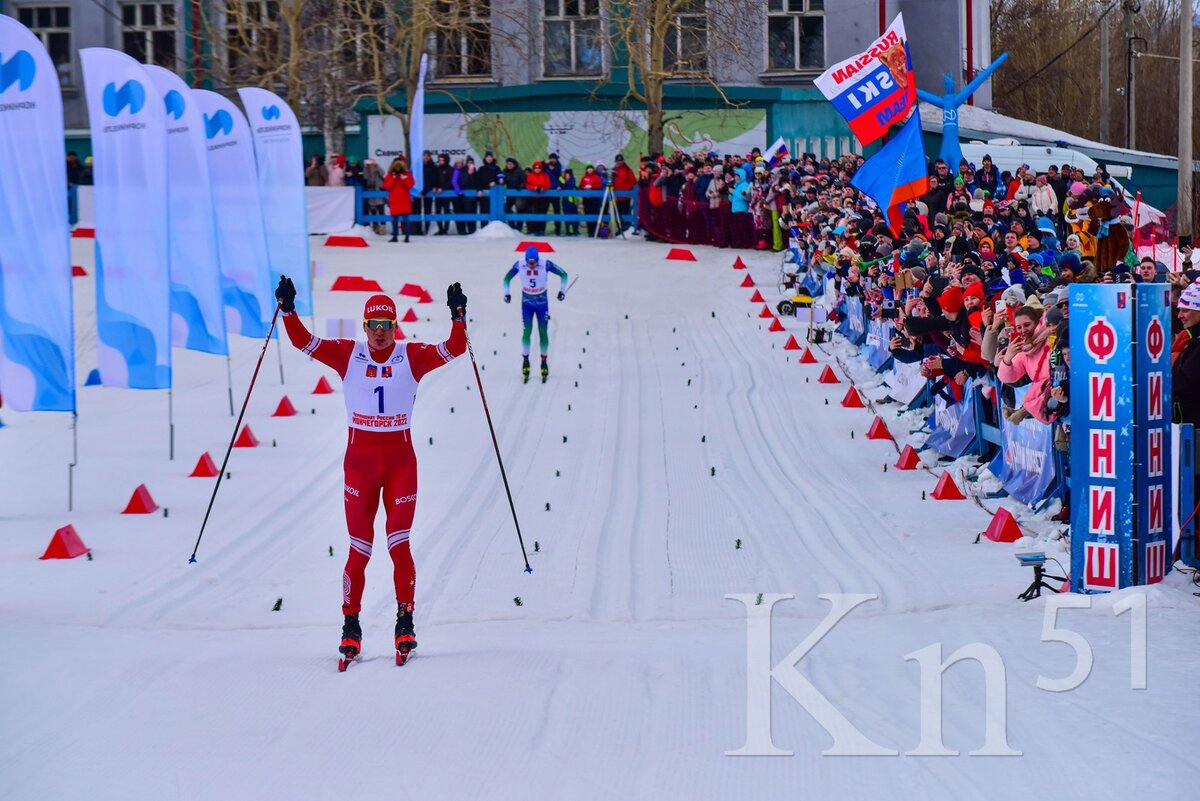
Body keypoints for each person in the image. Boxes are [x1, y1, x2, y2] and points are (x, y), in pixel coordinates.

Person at [274, 277, 468, 668]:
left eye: (387, 326)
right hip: (360, 464)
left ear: (396, 327)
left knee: (399, 544)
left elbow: (455, 348)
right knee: (359, 549)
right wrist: (289, 309)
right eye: (374, 326)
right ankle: (350, 626)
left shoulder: (411, 355)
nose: (380, 333)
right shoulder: (348, 354)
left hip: (400, 464)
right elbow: (302, 342)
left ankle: (405, 623)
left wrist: (458, 315)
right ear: (364, 328)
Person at [504, 245, 568, 382]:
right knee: (527, 332)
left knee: (543, 332)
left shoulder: (546, 263)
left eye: (534, 263)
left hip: (542, 304)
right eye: (529, 263)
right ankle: (525, 360)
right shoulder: (520, 264)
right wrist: (507, 293)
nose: (532, 266)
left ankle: (544, 361)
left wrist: (562, 290)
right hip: (527, 304)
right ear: (526, 260)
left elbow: (564, 274)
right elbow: (506, 278)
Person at [383, 158, 415, 242]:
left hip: (404, 200)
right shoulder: (390, 175)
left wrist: (403, 178)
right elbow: (387, 186)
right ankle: (395, 236)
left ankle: (407, 236)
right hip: (395, 200)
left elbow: (410, 185)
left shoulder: (407, 174)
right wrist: (394, 178)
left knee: (406, 220)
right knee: (394, 220)